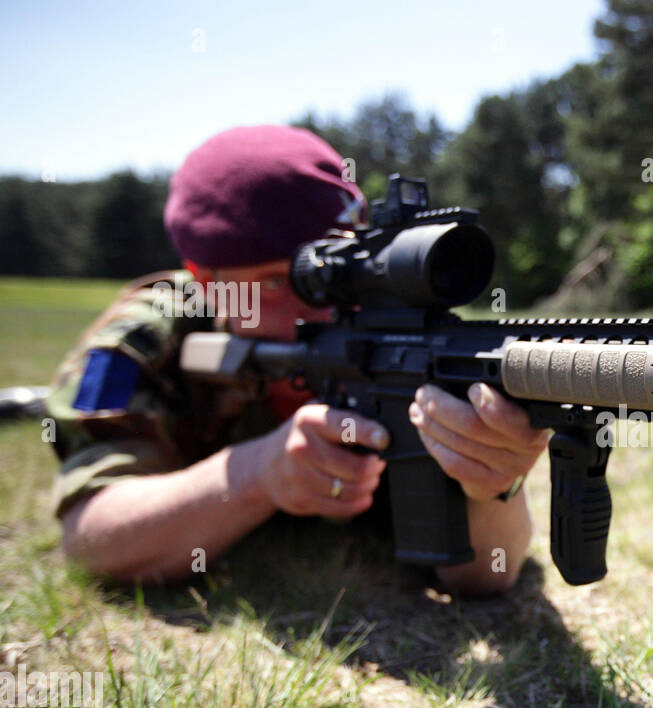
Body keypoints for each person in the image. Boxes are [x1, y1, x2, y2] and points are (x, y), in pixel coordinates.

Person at [45, 125, 549, 594]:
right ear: (204, 280)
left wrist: (491, 483)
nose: (326, 304)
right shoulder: (147, 338)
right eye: (274, 281)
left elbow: (486, 576)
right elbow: (93, 538)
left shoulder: (397, 330)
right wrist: (258, 473)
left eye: (345, 268)